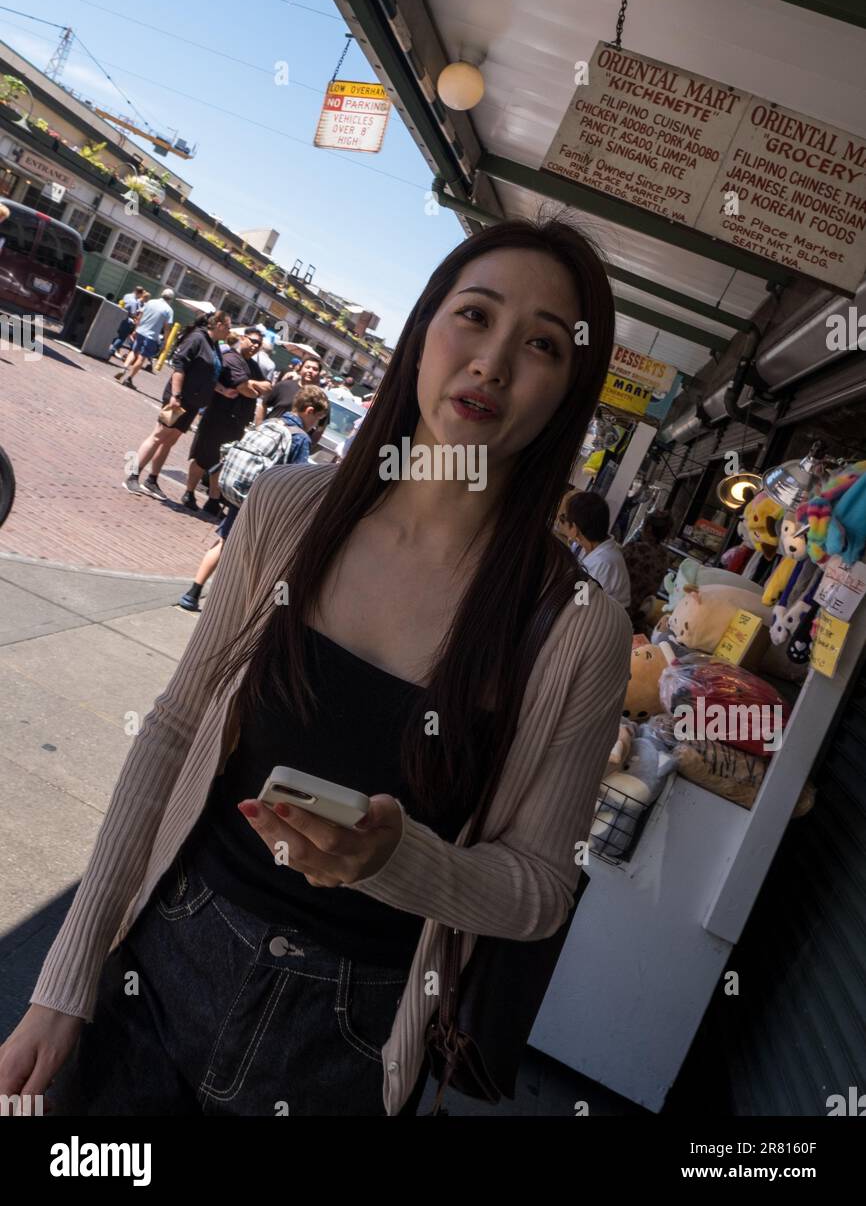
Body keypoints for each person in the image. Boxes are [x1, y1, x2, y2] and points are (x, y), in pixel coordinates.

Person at [6, 217, 632, 1119]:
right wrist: (64, 982)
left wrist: (398, 861)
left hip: (349, 1042)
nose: (492, 362)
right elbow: (174, 730)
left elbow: (540, 887)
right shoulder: (292, 509)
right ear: (421, 334)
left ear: (569, 392)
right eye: (474, 316)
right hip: (164, 962)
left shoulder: (576, 626)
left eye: (540, 343)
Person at [177, 385, 329, 613]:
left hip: (240, 494)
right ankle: (231, 606)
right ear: (309, 410)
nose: (316, 425)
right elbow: (295, 480)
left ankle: (193, 593)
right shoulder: (300, 439)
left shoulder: (271, 423)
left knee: (224, 542)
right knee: (254, 557)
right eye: (318, 419)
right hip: (264, 505)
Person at [122, 310, 232, 500]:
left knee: (170, 440)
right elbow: (179, 366)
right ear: (219, 325)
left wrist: (223, 391)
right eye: (228, 327)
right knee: (158, 435)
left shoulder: (214, 345)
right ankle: (132, 475)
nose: (229, 332)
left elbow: (209, 375)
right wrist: (175, 395)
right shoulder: (197, 339)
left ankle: (152, 479)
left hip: (193, 402)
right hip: (179, 398)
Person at [183, 328, 271, 514]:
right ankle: (189, 492)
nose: (255, 346)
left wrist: (251, 385)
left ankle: (213, 500)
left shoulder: (253, 366)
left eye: (258, 343)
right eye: (252, 340)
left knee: (223, 461)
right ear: (242, 338)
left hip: (237, 423)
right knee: (203, 457)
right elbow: (245, 388)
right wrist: (250, 386)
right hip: (217, 417)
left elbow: (267, 387)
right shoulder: (230, 358)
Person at [563, 490, 631, 611]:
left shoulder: (604, 562)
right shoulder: (589, 548)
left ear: (574, 528)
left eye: (563, 518)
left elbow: (579, 604)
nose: (561, 523)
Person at [621, 510, 673, 632]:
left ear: (648, 528)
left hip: (618, 606)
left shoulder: (633, 548)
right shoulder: (664, 557)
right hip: (637, 616)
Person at [114, 288, 174, 389]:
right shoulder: (168, 310)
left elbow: (140, 316)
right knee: (142, 357)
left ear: (162, 294)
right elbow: (167, 328)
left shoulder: (150, 302)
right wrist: (165, 341)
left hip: (140, 331)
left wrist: (135, 329)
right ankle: (129, 378)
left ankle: (124, 368)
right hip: (152, 336)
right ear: (171, 299)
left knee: (133, 351)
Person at [255, 355, 323, 428]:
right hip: (270, 432)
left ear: (319, 373)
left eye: (315, 369)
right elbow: (263, 405)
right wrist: (259, 427)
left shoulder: (318, 398)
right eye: (307, 367)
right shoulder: (284, 385)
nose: (310, 371)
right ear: (301, 369)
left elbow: (319, 427)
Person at [108, 286, 147, 359]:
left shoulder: (127, 295)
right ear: (139, 293)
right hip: (127, 320)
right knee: (121, 337)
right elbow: (133, 313)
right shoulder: (134, 302)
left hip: (119, 316)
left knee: (116, 334)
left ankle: (109, 347)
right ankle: (112, 350)